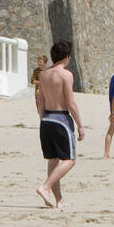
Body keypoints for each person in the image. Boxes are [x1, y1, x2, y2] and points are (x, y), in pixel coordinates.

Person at [36, 39, 83, 209]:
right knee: (69, 160)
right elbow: (70, 103)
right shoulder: (66, 74)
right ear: (66, 57)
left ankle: (59, 200)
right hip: (60, 118)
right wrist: (80, 125)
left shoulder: (44, 74)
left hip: (46, 119)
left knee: (53, 161)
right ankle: (45, 187)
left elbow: (40, 100)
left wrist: (42, 119)